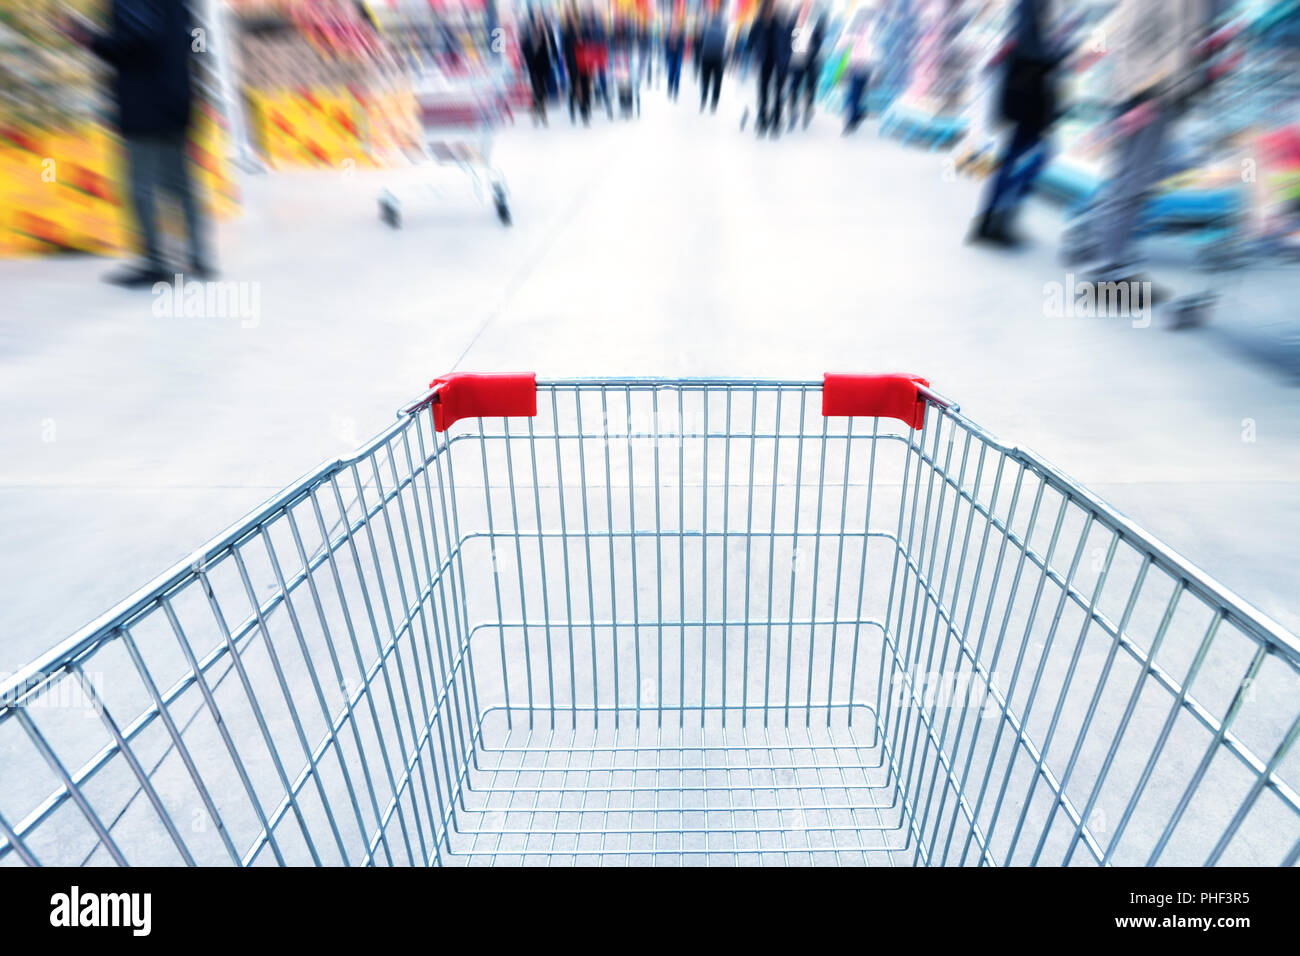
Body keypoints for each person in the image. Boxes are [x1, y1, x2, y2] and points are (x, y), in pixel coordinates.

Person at [66, 0, 214, 286]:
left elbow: (140, 38)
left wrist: (90, 39)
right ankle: (199, 257)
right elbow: (196, 39)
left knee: (140, 186)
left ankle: (156, 263)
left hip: (145, 101)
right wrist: (192, 81)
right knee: (181, 183)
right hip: (179, 97)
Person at [1074, 0, 1214, 293]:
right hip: (1151, 98)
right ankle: (1110, 267)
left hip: (1138, 95)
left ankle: (1104, 250)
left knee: (1131, 177)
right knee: (1133, 181)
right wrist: (1149, 95)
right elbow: (1170, 45)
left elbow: (1125, 38)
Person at [968, 0, 1064, 245]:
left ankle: (992, 221)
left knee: (1017, 155)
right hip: (1028, 91)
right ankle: (994, 222)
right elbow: (1028, 47)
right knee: (1029, 157)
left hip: (1028, 90)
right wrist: (1059, 56)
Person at [753, 0, 792, 136]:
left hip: (778, 61)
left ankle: (773, 121)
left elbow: (788, 39)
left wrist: (787, 57)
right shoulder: (759, 22)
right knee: (766, 92)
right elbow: (751, 40)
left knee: (775, 92)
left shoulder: (778, 20)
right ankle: (765, 120)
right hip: (768, 61)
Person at [786, 5, 826, 129]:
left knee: (810, 87)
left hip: (812, 60)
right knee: (793, 86)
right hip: (797, 59)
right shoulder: (794, 19)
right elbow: (788, 37)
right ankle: (793, 112)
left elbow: (819, 39)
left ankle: (808, 109)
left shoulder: (818, 18)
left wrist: (812, 52)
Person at [521, 9, 555, 126]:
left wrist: (554, 57)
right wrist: (527, 60)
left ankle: (536, 110)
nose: (539, 19)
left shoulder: (546, 30)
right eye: (536, 17)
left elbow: (553, 44)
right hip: (533, 64)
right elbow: (524, 46)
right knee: (537, 87)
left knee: (542, 89)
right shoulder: (528, 30)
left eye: (540, 17)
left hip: (544, 62)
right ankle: (543, 113)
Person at [697, 5, 728, 113]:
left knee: (705, 79)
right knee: (717, 81)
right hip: (718, 59)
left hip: (706, 58)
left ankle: (704, 97)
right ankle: (714, 103)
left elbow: (700, 44)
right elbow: (725, 47)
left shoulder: (707, 30)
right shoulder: (723, 32)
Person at [664, 16, 686, 101]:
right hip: (671, 55)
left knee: (677, 73)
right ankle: (669, 89)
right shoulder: (668, 35)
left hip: (678, 55)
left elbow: (683, 46)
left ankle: (676, 92)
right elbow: (666, 47)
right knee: (670, 73)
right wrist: (666, 58)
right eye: (673, 25)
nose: (674, 27)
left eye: (676, 25)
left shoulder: (681, 35)